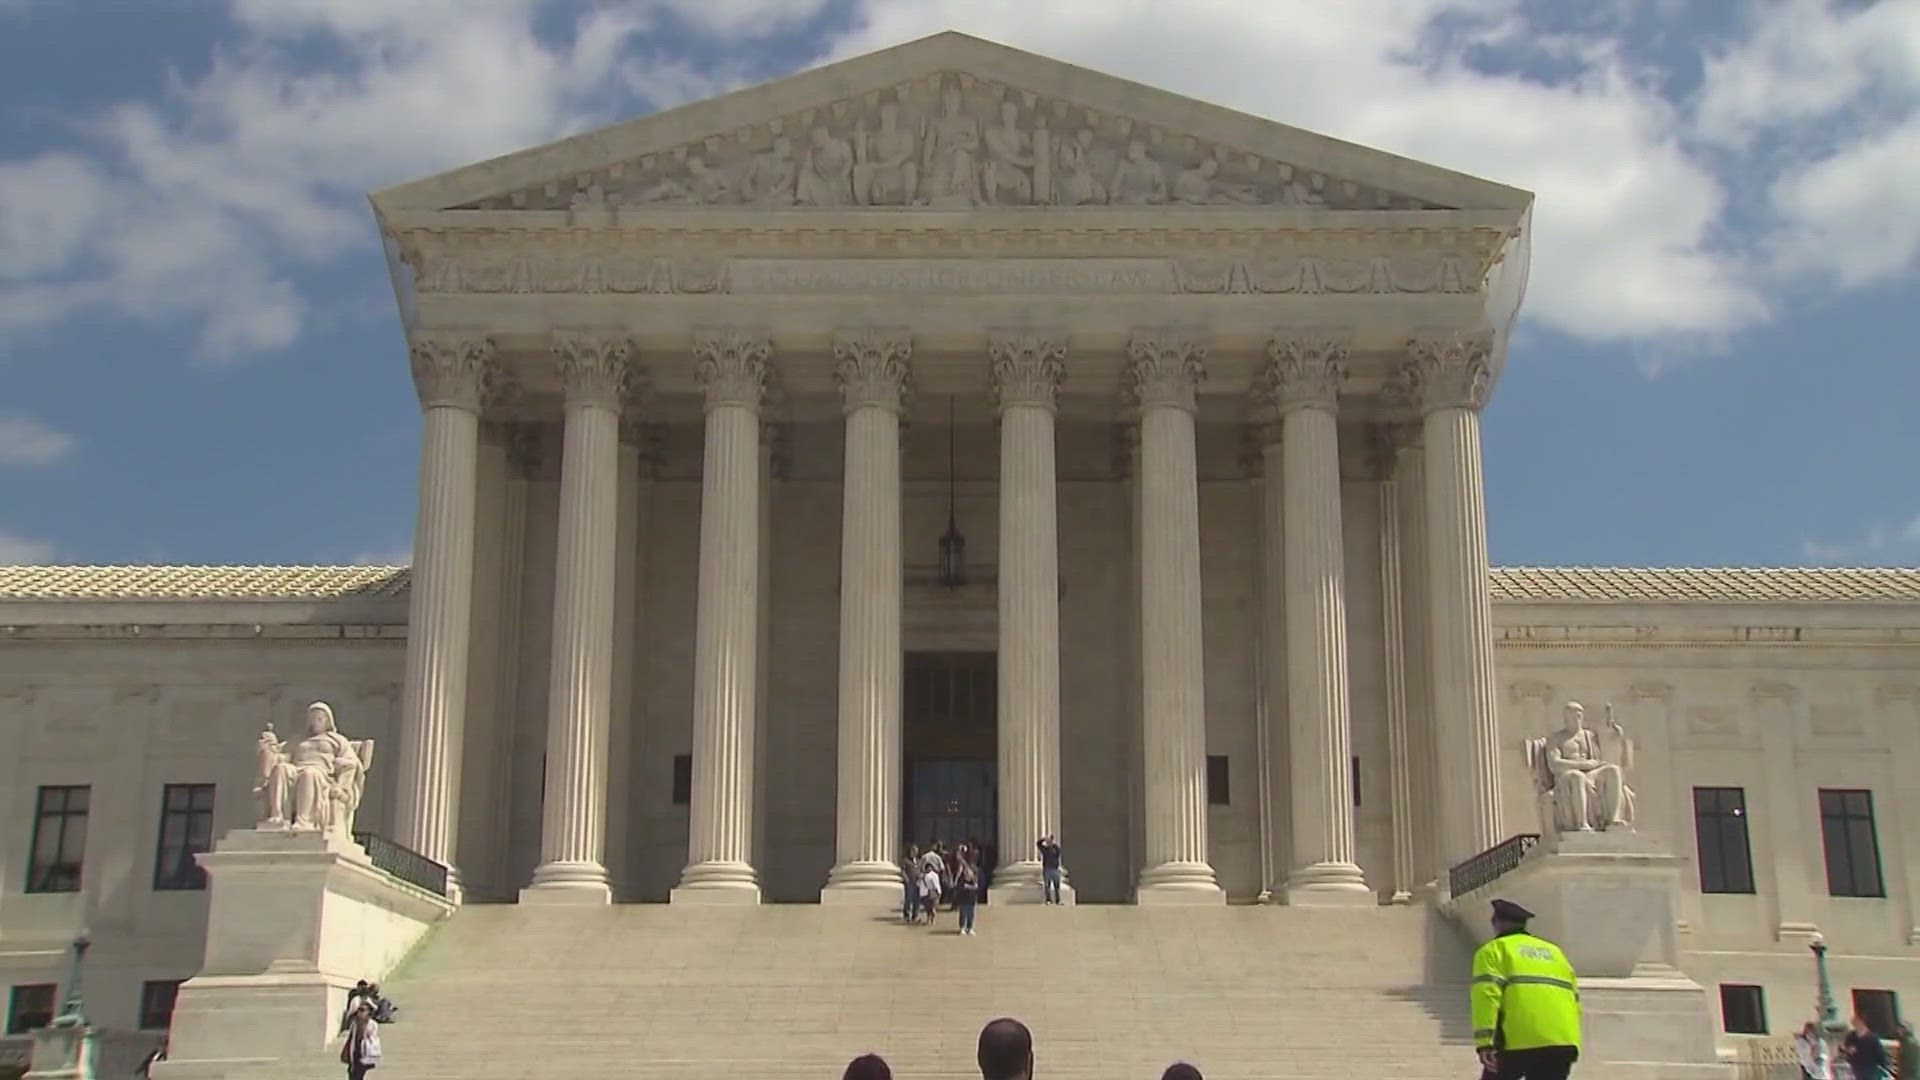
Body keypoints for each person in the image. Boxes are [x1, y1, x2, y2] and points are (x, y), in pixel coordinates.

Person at [1470, 899, 1581, 1080]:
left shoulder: (1493, 950)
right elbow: (1574, 1000)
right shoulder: (1555, 952)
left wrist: (1485, 1043)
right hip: (1562, 1042)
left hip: (1517, 1041)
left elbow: (1486, 997)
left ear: (1495, 922)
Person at [338, 1000, 381, 1079]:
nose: (360, 1012)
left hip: (364, 1050)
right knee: (352, 1073)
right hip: (354, 1051)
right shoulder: (355, 1023)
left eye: (363, 1010)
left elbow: (373, 1037)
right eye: (359, 1010)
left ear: (368, 1012)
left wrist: (366, 1036)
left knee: (359, 1074)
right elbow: (351, 1037)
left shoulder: (372, 1024)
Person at [1844, 1016, 1892, 1080]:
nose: (1855, 1026)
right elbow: (1846, 1049)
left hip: (1871, 1071)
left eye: (1857, 1023)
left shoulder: (1872, 1038)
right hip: (1857, 1071)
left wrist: (1885, 1067)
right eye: (1854, 1024)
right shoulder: (1851, 1037)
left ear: (1863, 1024)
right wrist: (1848, 1053)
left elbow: (1880, 1055)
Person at [955, 863, 980, 935]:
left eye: (969, 873)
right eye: (966, 873)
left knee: (971, 915)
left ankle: (970, 928)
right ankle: (962, 927)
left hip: (971, 900)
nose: (967, 874)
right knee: (963, 914)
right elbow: (961, 887)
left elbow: (977, 888)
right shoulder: (961, 880)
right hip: (963, 900)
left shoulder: (974, 881)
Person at [1037, 835, 1063, 904]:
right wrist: (1044, 839)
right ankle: (1048, 900)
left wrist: (1052, 843)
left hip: (1055, 869)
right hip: (1047, 869)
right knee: (1047, 886)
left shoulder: (1056, 849)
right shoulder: (1045, 850)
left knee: (1057, 886)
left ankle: (1058, 900)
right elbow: (1038, 844)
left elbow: (1059, 851)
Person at [902, 845, 922, 923]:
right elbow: (903, 870)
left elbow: (920, 870)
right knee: (908, 899)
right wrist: (906, 878)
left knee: (916, 900)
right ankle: (907, 915)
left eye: (916, 851)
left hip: (917, 882)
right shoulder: (906, 860)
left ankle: (915, 915)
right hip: (909, 882)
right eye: (913, 850)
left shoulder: (918, 861)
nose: (914, 852)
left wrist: (920, 876)